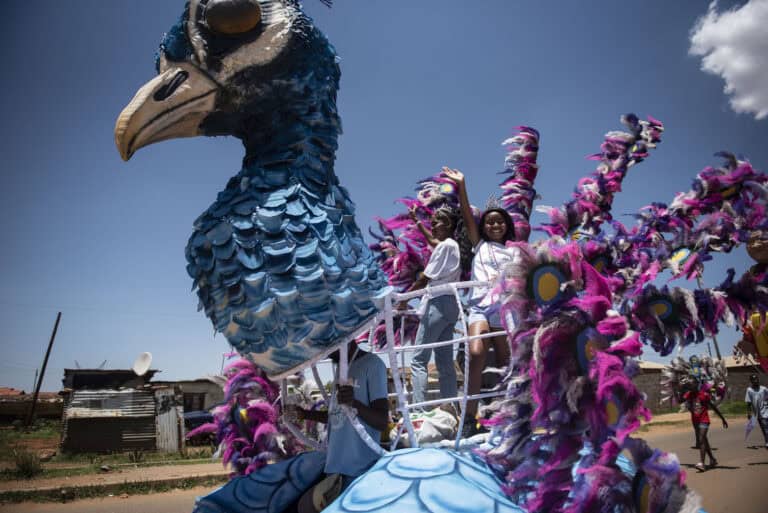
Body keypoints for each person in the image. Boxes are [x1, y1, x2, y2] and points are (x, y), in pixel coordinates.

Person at [444, 167, 520, 436]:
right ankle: (469, 417)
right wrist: (461, 185)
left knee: (505, 362)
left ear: (507, 225)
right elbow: (467, 215)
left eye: (500, 222)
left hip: (505, 310)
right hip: (479, 306)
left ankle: (505, 416)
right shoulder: (480, 245)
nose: (495, 225)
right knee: (475, 353)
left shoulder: (515, 251)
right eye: (489, 222)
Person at [288, 344, 389, 512]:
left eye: (330, 348)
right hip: (335, 472)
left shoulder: (373, 364)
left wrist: (354, 403)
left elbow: (382, 421)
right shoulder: (341, 369)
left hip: (360, 473)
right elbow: (337, 417)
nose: (326, 354)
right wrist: (305, 414)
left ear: (346, 341)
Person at [403, 206, 463, 409]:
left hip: (437, 303)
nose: (433, 227)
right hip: (451, 305)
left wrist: (404, 299)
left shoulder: (445, 246)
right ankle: (450, 409)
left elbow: (425, 277)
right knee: (445, 362)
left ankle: (419, 411)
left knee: (419, 360)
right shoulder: (452, 245)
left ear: (448, 224)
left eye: (436, 223)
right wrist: (417, 221)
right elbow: (432, 241)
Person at [683, 380, 728, 471]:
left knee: (701, 439)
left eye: (692, 385)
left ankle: (702, 463)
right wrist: (677, 388)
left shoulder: (704, 395)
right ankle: (712, 459)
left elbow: (713, 407)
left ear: (697, 385)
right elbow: (681, 400)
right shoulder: (689, 395)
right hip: (695, 421)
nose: (691, 387)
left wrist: (723, 419)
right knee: (704, 441)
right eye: (690, 385)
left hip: (704, 420)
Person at [745, 373, 768, 448]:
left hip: (766, 410)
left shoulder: (764, 389)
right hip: (758, 413)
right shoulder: (749, 390)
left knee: (766, 427)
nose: (755, 381)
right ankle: (767, 441)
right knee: (764, 428)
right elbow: (748, 402)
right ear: (751, 381)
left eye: (756, 379)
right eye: (753, 380)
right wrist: (749, 413)